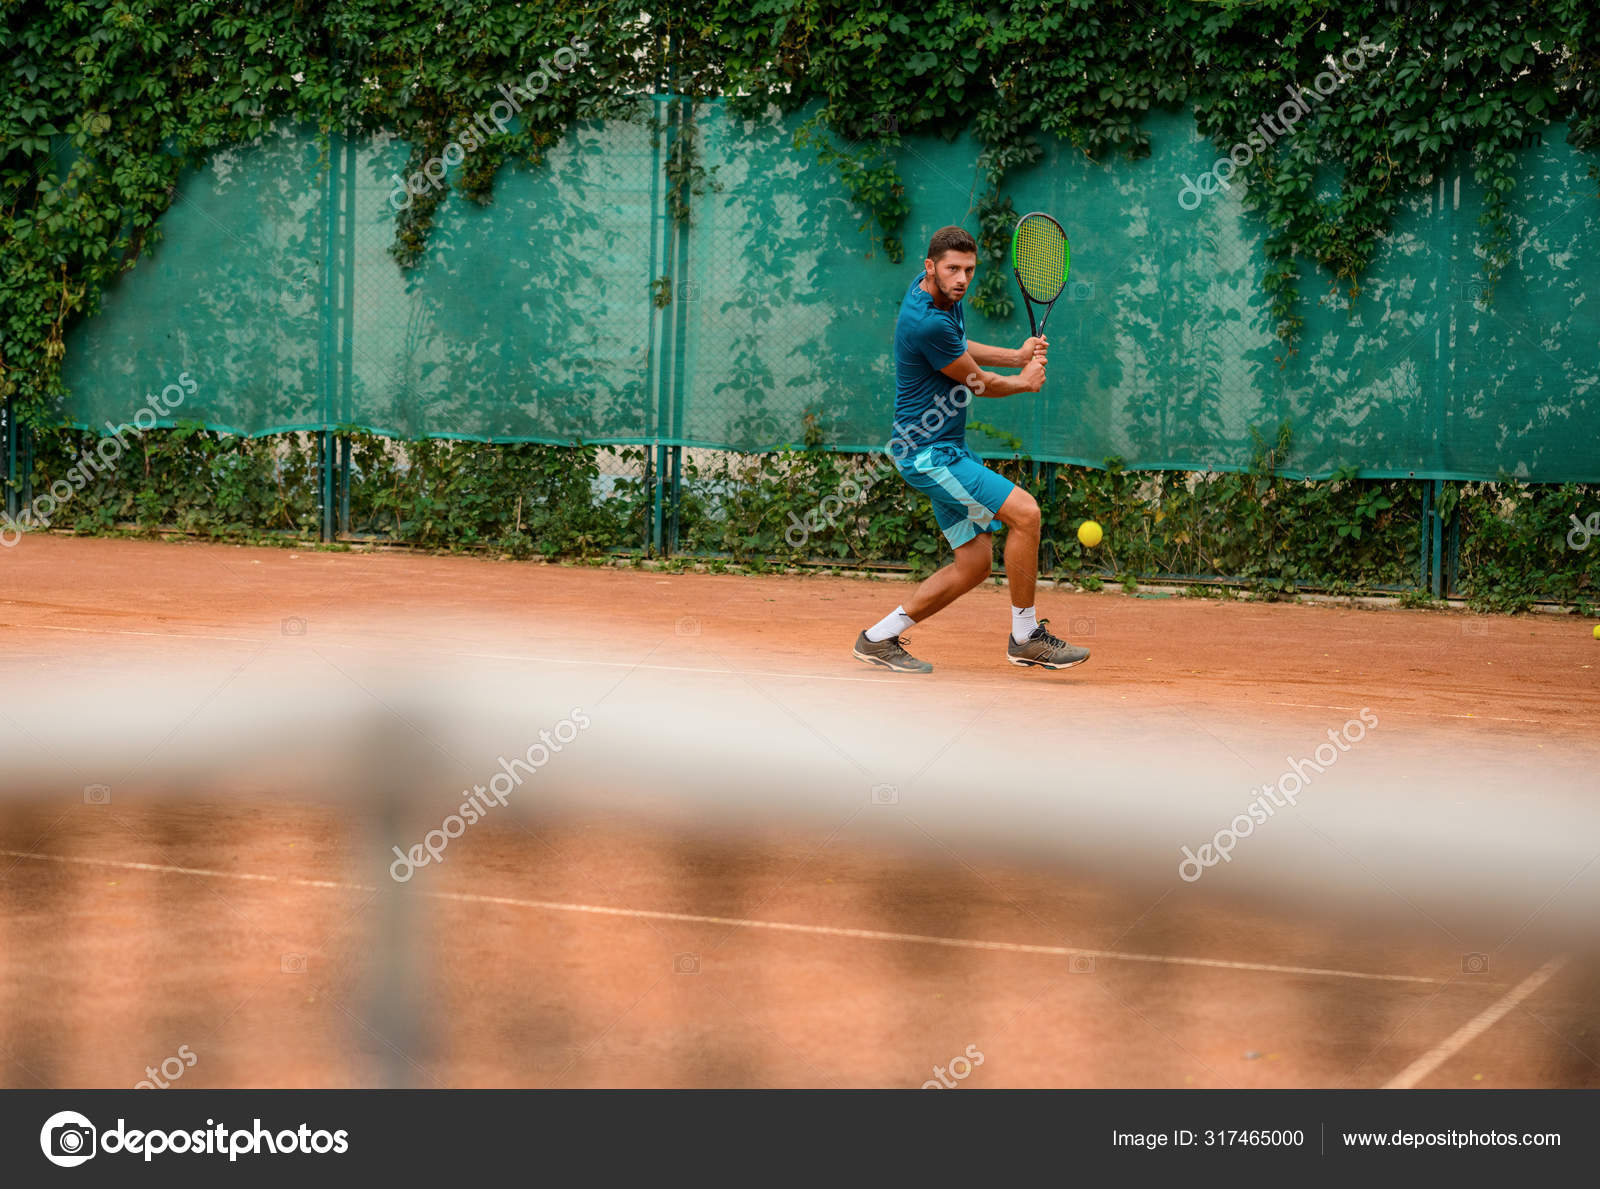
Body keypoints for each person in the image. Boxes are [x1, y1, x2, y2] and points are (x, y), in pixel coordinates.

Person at [852, 225, 1090, 674]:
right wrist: (1023, 381)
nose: (962, 278)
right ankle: (1026, 636)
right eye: (952, 269)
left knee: (975, 563)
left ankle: (877, 639)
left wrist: (1017, 356)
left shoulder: (934, 298)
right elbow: (979, 382)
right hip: (928, 455)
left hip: (946, 451)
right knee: (1026, 513)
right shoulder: (926, 321)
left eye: (969, 270)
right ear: (931, 268)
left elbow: (959, 346)